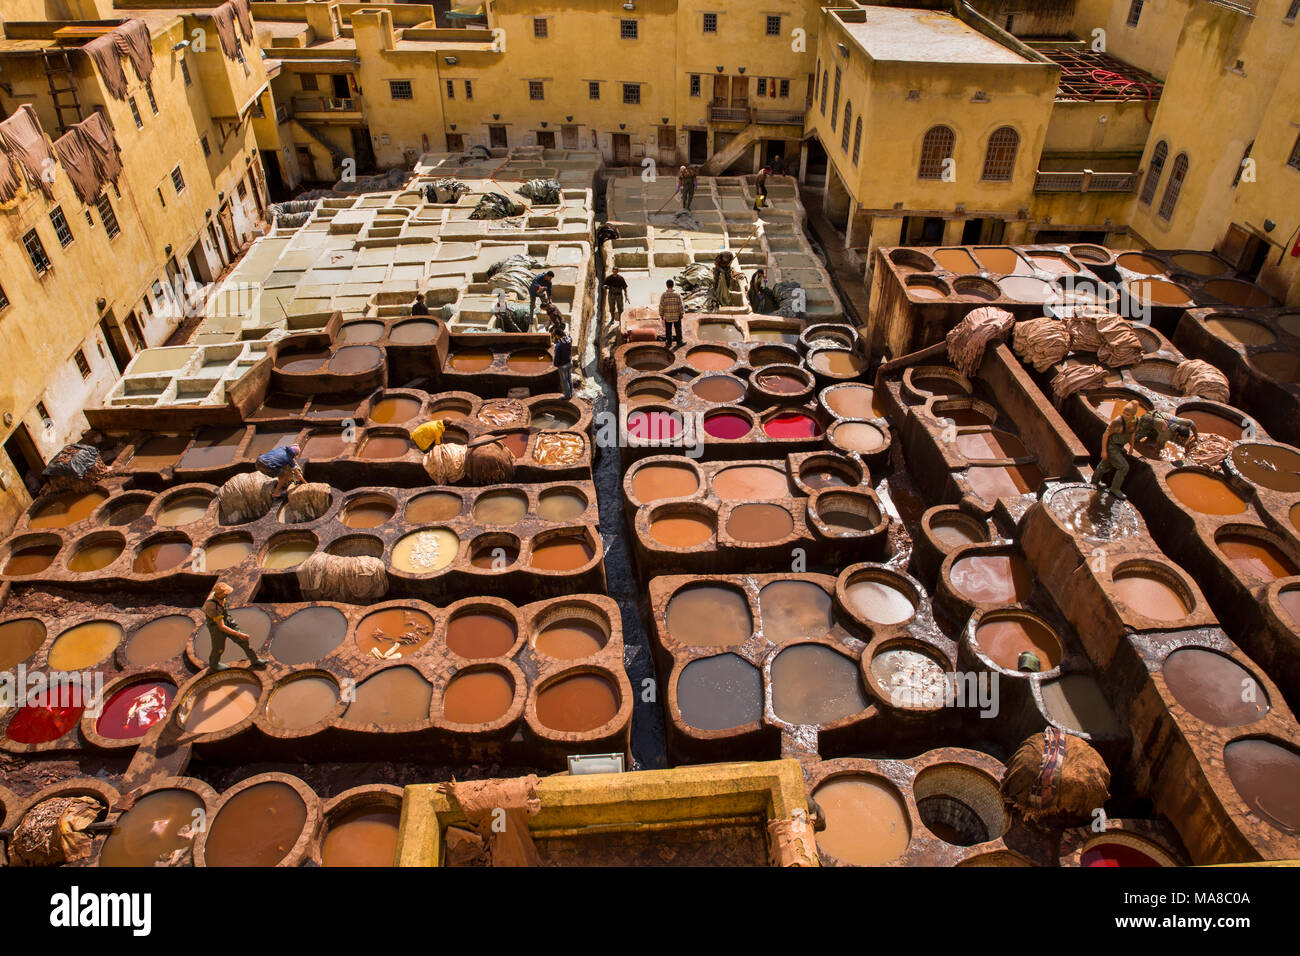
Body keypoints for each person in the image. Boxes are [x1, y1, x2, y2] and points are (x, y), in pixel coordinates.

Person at [202, 582, 268, 671]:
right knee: (219, 648)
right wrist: (238, 634)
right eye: (226, 593)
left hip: (227, 621)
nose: (228, 594)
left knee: (244, 641)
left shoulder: (220, 597)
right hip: (217, 627)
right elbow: (221, 627)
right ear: (221, 594)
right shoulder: (212, 606)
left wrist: (239, 634)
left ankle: (254, 660)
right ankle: (214, 664)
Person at [1091, 401, 1141, 499]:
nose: (1125, 416)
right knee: (1124, 467)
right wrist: (1104, 451)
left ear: (1133, 415)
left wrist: (1131, 447)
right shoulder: (1117, 421)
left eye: (1128, 414)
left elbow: (1132, 434)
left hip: (1120, 447)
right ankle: (1115, 488)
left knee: (1104, 465)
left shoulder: (1136, 421)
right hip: (1112, 447)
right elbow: (1105, 435)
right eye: (1124, 413)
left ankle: (1094, 482)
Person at [659, 279, 684, 350]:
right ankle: (679, 342)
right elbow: (680, 305)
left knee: (668, 330)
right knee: (678, 329)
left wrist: (661, 315)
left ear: (667, 286)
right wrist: (681, 314)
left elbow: (661, 306)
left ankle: (669, 343)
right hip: (676, 316)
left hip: (668, 316)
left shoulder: (663, 295)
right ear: (673, 285)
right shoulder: (677, 294)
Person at [552, 326, 574, 399]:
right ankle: (571, 393)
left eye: (556, 336)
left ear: (558, 335)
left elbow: (556, 357)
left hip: (563, 365)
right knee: (569, 378)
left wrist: (555, 364)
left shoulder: (559, 345)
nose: (556, 337)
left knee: (564, 381)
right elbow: (567, 336)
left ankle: (567, 396)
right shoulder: (569, 339)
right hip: (570, 362)